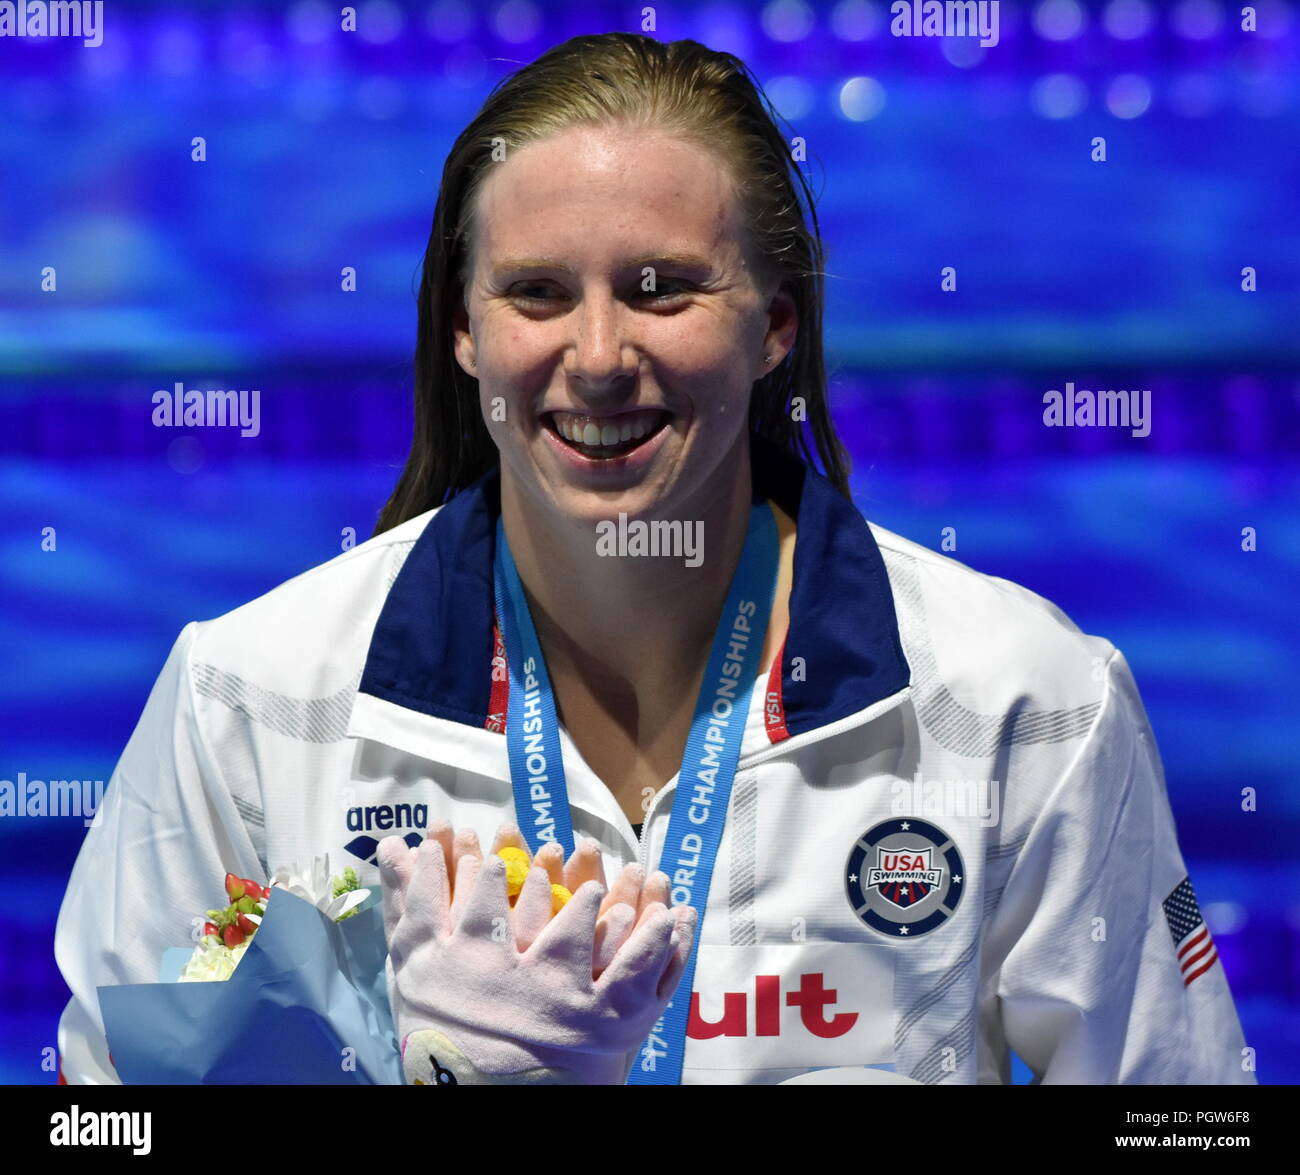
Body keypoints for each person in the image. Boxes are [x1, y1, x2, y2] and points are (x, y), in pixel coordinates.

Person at [54, 32, 1254, 1085]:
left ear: (773, 324)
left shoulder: (1020, 702)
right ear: (466, 333)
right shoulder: (252, 700)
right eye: (535, 292)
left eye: (660, 288)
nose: (596, 355)